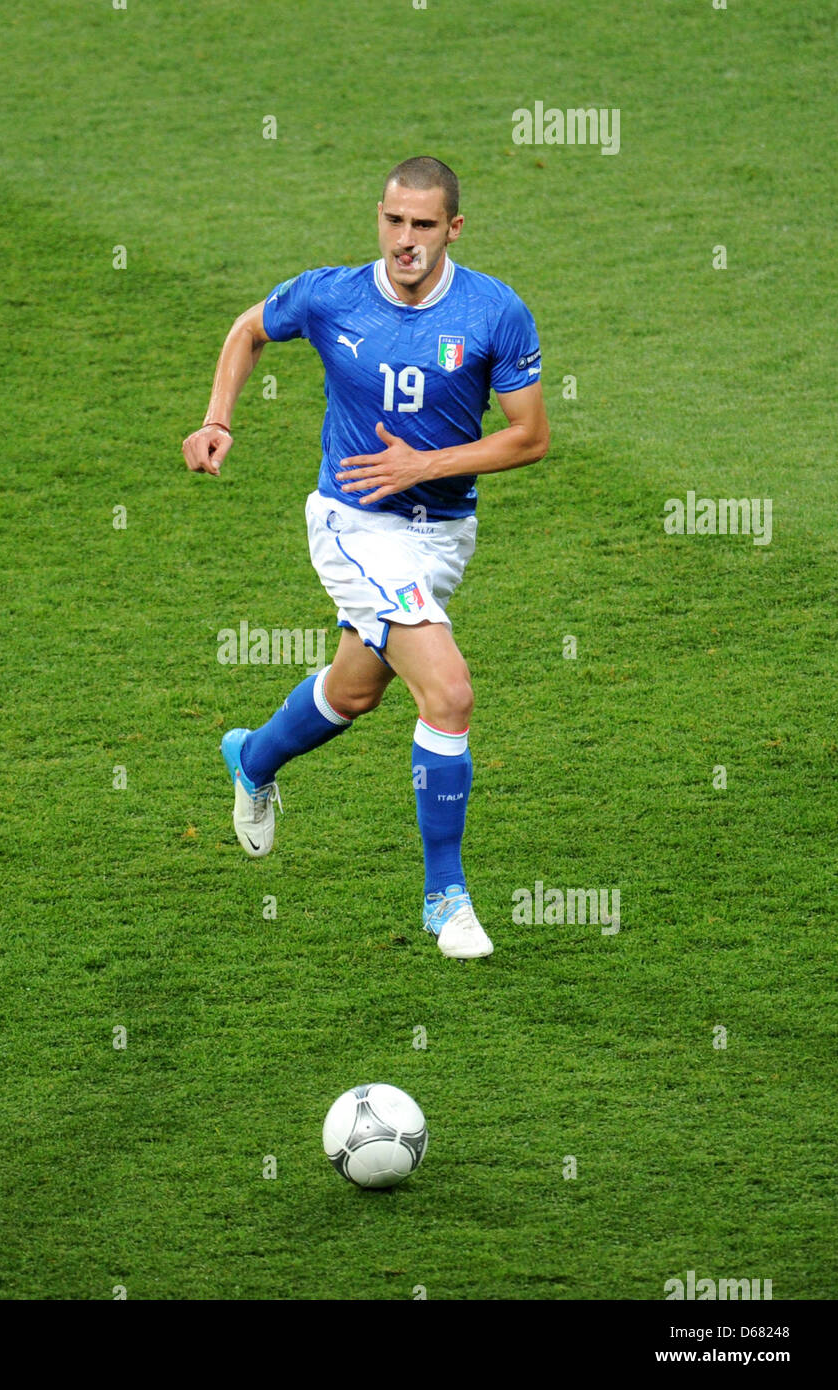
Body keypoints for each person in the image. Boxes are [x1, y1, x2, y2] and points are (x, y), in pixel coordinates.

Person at [181, 156, 549, 960]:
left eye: (423, 226)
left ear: (452, 229)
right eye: (393, 222)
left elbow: (530, 437)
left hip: (442, 532)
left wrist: (426, 466)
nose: (404, 241)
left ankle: (252, 757)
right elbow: (248, 329)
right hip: (353, 522)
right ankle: (443, 897)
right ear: (377, 218)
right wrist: (218, 420)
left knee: (353, 694)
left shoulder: (495, 312)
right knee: (448, 692)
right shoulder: (330, 295)